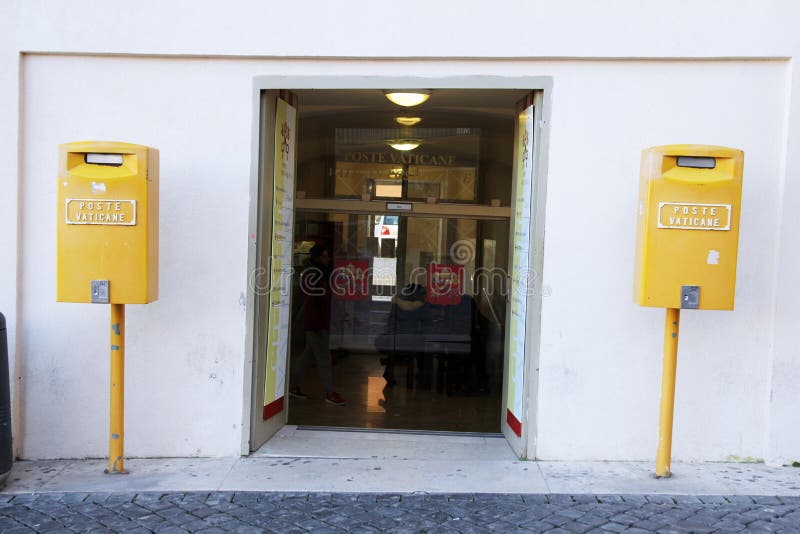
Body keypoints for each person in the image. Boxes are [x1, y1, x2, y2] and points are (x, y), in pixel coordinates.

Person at [289, 244, 346, 406]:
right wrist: (320, 325)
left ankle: (292, 386)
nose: (327, 259)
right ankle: (329, 392)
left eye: (327, 256)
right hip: (316, 323)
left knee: (308, 356)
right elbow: (315, 303)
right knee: (323, 358)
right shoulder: (316, 275)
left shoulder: (319, 273)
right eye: (324, 256)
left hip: (314, 322)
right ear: (316, 258)